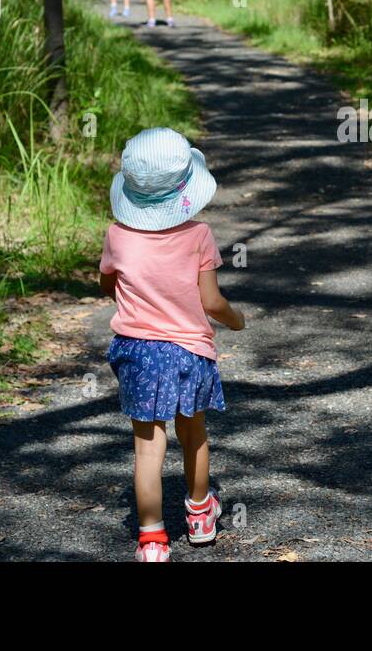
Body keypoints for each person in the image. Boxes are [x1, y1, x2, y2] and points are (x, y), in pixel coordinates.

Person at [99, 127, 246, 561]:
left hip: (138, 351)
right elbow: (212, 301)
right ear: (185, 189)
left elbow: (109, 284)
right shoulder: (199, 235)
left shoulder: (117, 235)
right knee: (194, 433)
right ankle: (200, 515)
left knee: (147, 446)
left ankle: (152, 539)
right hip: (189, 352)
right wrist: (236, 321)